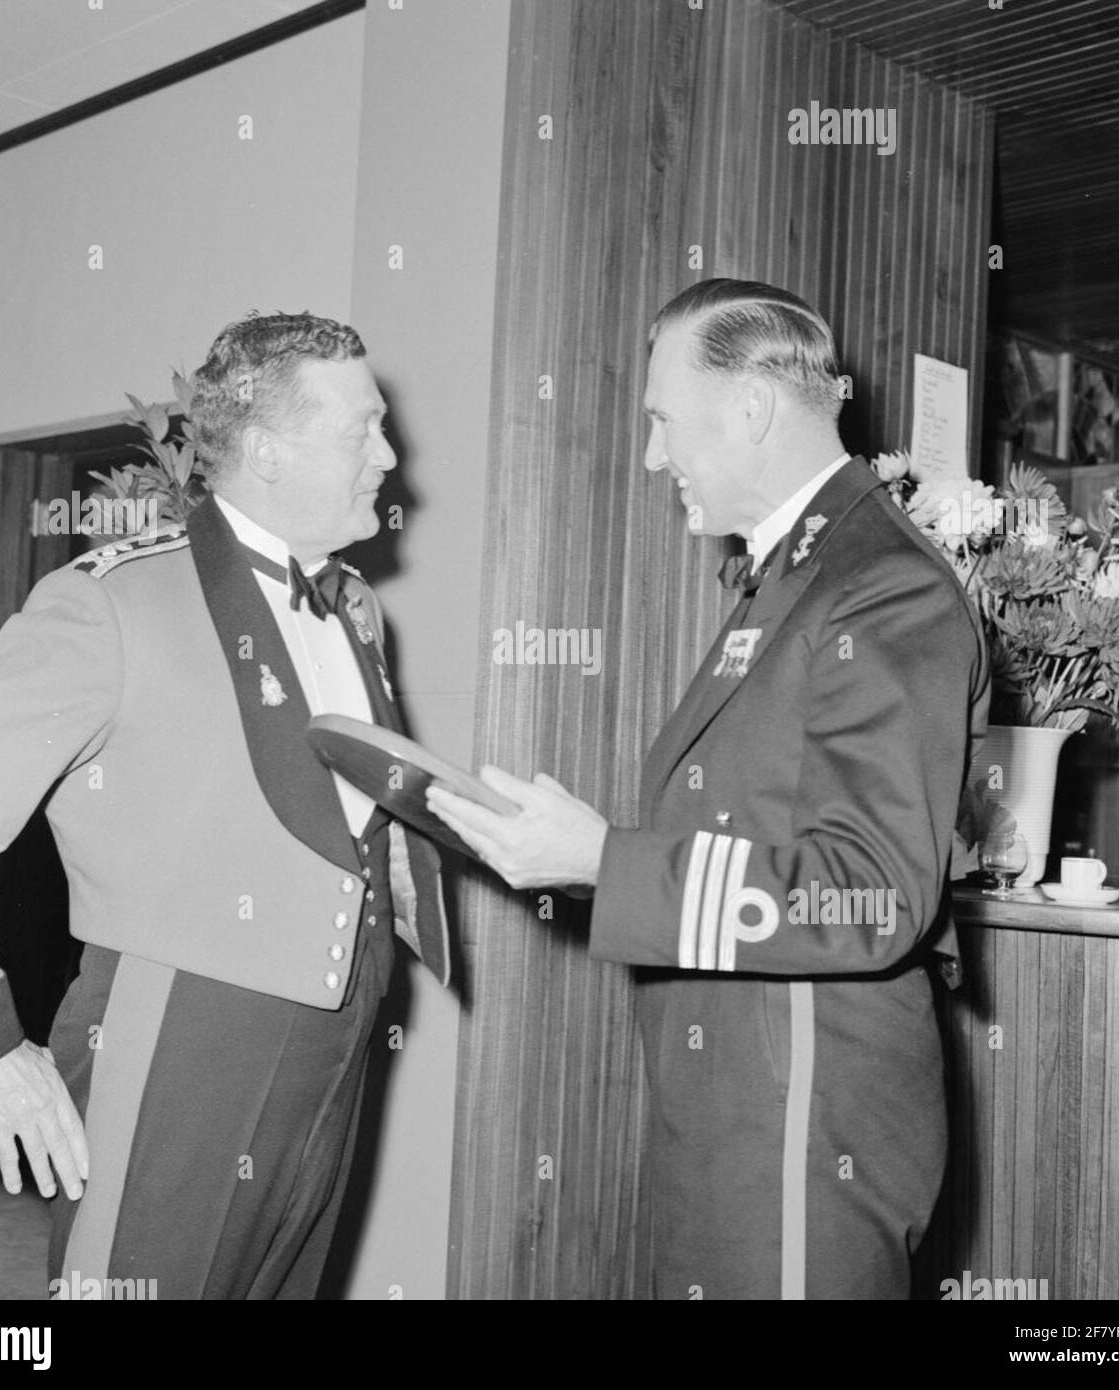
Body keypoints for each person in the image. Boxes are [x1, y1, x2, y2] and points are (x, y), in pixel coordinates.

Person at [427, 279, 988, 1300]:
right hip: (743, 1097)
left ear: (751, 408)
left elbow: (871, 891)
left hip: (803, 1120)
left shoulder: (881, 584)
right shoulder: (794, 575)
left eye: (660, 422)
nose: (652, 457)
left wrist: (602, 861)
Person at [0, 311, 449, 1299]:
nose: (388, 454)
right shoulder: (109, 603)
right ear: (271, 452)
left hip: (335, 1035)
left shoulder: (353, 609)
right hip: (174, 1040)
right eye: (360, 428)